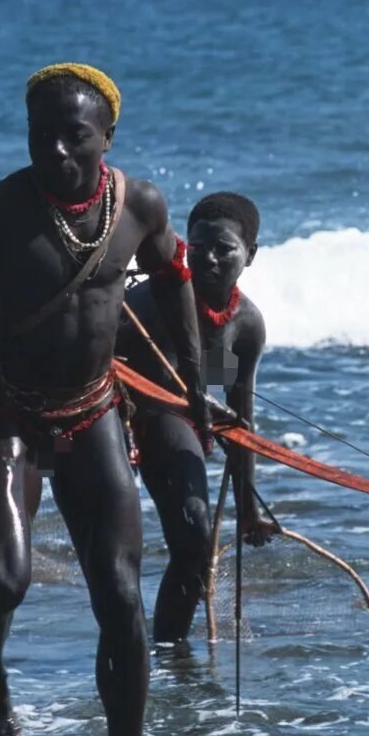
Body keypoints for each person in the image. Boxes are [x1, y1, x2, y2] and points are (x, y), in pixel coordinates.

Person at [0, 63, 208, 736]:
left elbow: (176, 276)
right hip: (14, 417)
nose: (57, 154)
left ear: (106, 135)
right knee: (7, 583)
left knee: (122, 598)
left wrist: (194, 387)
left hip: (98, 411)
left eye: (75, 138)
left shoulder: (140, 206)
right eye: (42, 138)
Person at [118, 191, 277, 646]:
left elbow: (237, 416)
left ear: (251, 255)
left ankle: (169, 655)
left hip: (179, 423)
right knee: (163, 545)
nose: (208, 258)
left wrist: (247, 509)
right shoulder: (156, 299)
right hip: (125, 415)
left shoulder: (244, 326)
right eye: (197, 246)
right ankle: (149, 649)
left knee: (194, 549)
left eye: (224, 249)